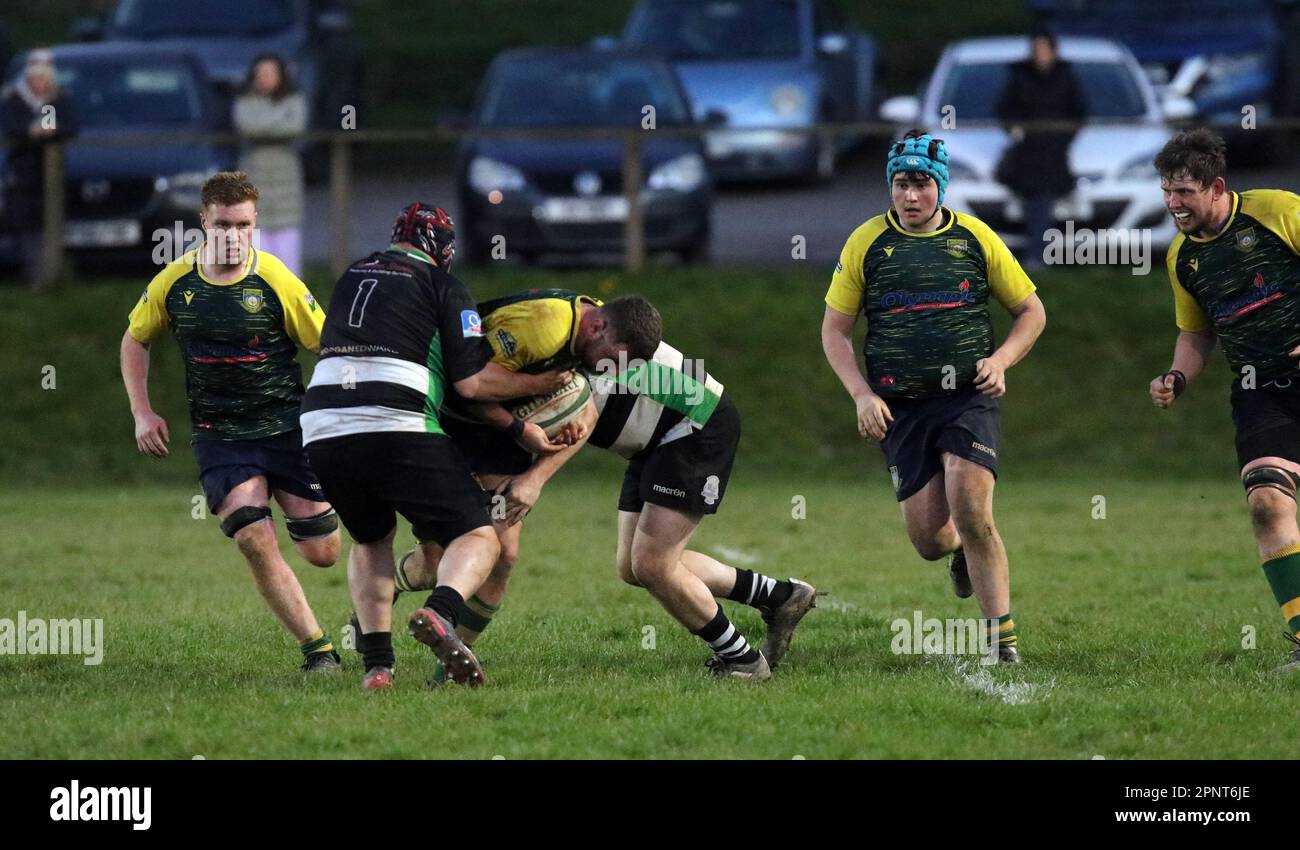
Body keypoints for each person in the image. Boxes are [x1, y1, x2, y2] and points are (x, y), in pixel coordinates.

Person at [397, 291, 819, 682]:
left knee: (653, 565)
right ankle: (780, 596)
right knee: (633, 568)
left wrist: (535, 478)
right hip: (651, 440)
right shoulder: (555, 333)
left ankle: (742, 661)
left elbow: (583, 416)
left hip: (696, 423)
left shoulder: (567, 342)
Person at [300, 203, 576, 690]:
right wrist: (542, 388)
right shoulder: (444, 286)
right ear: (442, 250)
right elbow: (470, 383)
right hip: (395, 420)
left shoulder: (350, 274)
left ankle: (378, 668)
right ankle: (441, 613)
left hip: (321, 424)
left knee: (370, 540)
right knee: (479, 535)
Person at [822, 130, 1046, 664]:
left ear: (940, 187)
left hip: (968, 397)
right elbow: (834, 331)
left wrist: (1000, 361)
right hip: (902, 407)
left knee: (971, 506)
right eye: (902, 184)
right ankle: (963, 551)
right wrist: (860, 395)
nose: (911, 196)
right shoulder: (866, 243)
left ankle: (1002, 642)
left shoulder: (975, 238)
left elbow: (1032, 313)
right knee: (929, 539)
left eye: (922, 183)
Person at [120, 171, 343, 673]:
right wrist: (142, 411)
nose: (233, 236)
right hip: (219, 436)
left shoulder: (277, 280)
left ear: (254, 223)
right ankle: (318, 651)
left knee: (324, 553)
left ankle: (303, 515)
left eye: (243, 225)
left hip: (287, 431)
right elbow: (136, 339)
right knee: (252, 536)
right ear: (203, 222)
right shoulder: (175, 281)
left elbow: (327, 345)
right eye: (223, 224)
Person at [1148, 129, 1300, 670]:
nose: (1172, 203)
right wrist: (1177, 376)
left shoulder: (1278, 212)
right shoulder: (1182, 259)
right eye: (1166, 190)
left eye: (1184, 191)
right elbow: (1196, 334)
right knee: (1266, 501)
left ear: (1216, 187)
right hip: (1261, 392)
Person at [996, 29, 1085, 270]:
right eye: (1037, 49)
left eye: (1045, 49)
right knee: (1036, 201)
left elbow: (1079, 112)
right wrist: (1016, 130)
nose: (1041, 55)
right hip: (1027, 153)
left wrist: (1064, 136)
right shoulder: (1019, 76)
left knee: (1042, 201)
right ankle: (1036, 255)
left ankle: (1041, 255)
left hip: (1055, 153)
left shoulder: (1066, 77)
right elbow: (1005, 110)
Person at [0, 50, 77, 286]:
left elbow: (67, 126)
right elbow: (12, 129)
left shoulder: (57, 99)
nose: (41, 83)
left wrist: (51, 132)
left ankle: (49, 274)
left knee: (49, 222)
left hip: (51, 175)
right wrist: (30, 133)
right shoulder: (13, 99)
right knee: (28, 225)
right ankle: (36, 275)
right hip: (23, 174)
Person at [233, 55, 306, 276]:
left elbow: (295, 125)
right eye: (260, 73)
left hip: (286, 189)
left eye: (270, 73)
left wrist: (265, 122)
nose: (264, 78)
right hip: (254, 184)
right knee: (254, 267)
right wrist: (280, 116)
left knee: (288, 268)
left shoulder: (295, 100)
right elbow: (248, 126)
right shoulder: (244, 102)